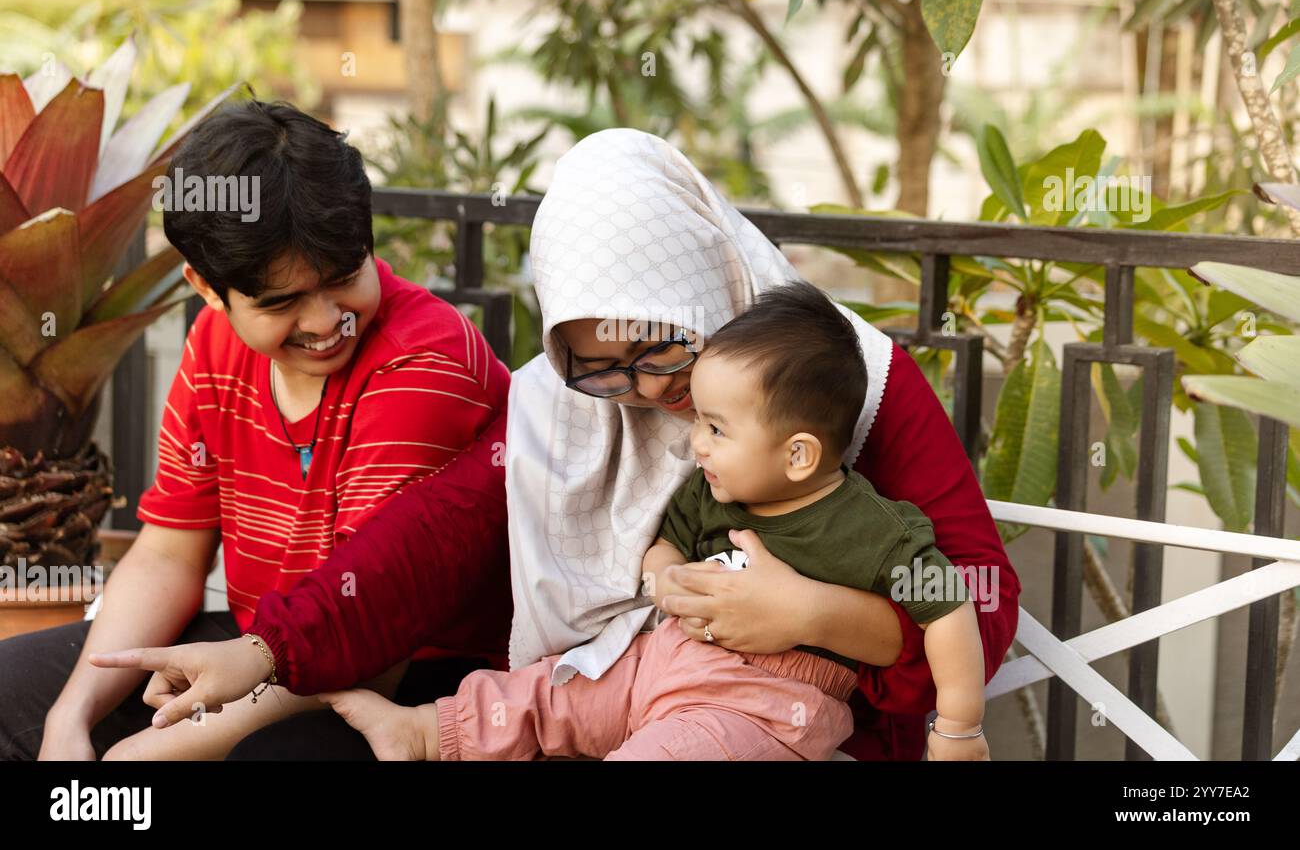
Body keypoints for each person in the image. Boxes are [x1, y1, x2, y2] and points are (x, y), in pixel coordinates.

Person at [96, 127, 1019, 761]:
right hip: (611, 701)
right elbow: (430, 536)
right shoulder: (560, 407)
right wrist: (264, 652)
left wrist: (808, 615)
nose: (645, 391)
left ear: (705, 286)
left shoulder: (841, 384)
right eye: (599, 365)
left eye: (664, 348)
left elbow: (975, 596)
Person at [0, 100, 510, 761]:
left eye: (343, 278)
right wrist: (69, 719)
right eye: (281, 302)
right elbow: (169, 553)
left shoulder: (424, 361)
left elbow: (370, 627)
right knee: (16, 695)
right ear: (208, 289)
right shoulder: (215, 343)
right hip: (256, 652)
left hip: (417, 679)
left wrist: (142, 757)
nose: (325, 322)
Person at [319, 281, 989, 760]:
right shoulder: (714, 492)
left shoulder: (870, 527)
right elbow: (663, 546)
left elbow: (951, 608)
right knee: (552, 695)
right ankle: (427, 733)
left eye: (716, 428)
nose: (695, 442)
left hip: (761, 703)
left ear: (798, 454)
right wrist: (665, 578)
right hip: (662, 659)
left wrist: (958, 728)